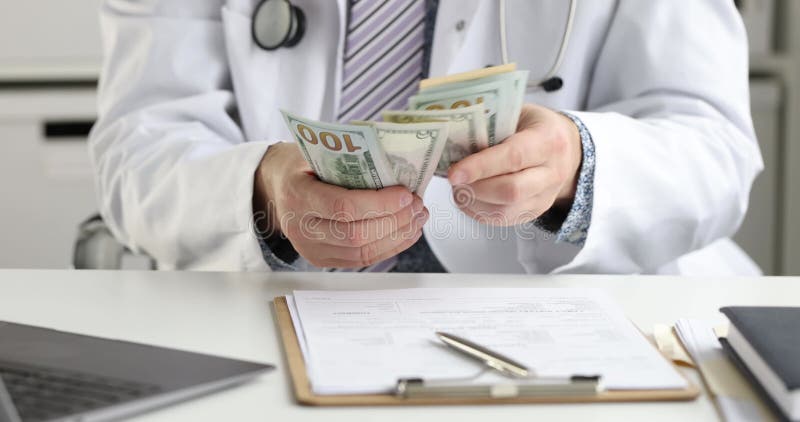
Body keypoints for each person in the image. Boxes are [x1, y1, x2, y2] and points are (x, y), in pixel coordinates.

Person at [89, 0, 763, 275]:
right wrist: (260, 195)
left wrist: (578, 169)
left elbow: (712, 146)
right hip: (282, 309)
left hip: (570, 318)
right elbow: (141, 144)